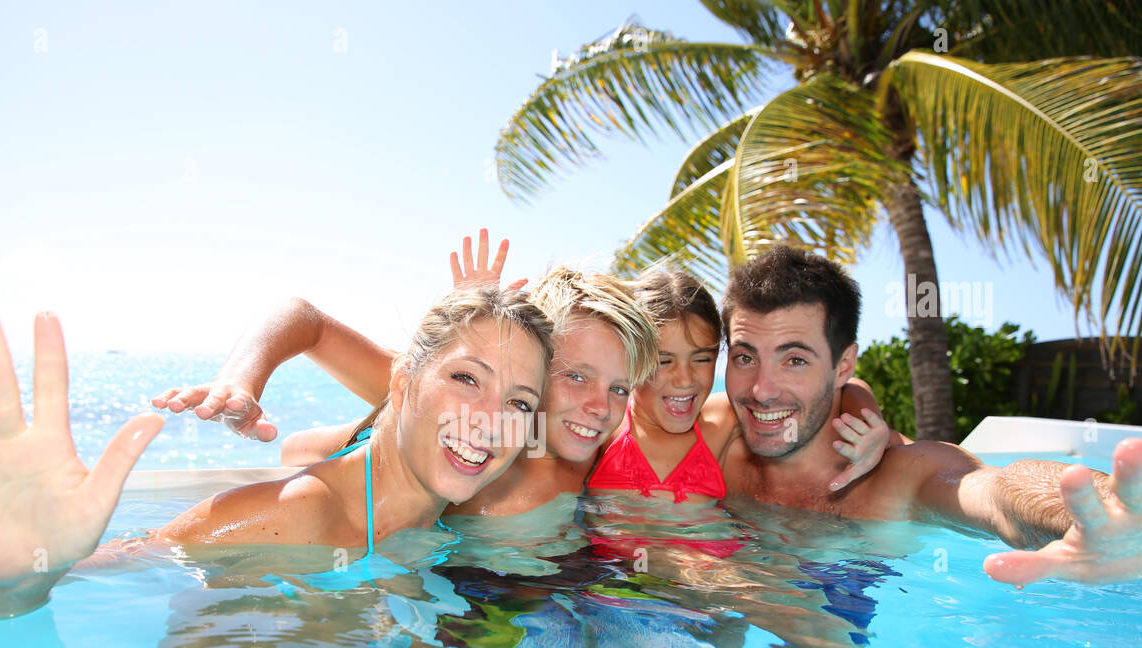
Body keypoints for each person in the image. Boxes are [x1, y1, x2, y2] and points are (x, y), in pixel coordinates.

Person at [0, 286, 554, 618]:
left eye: (520, 403)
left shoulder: (446, 519)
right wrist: (13, 579)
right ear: (401, 380)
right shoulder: (296, 512)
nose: (491, 421)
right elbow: (107, 571)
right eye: (467, 378)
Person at [156, 230, 893, 516]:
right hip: (349, 452)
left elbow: (778, 402)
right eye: (574, 377)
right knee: (319, 446)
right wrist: (241, 381)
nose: (598, 405)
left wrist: (860, 404)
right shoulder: (500, 419)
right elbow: (303, 315)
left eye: (615, 387)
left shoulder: (611, 431)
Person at [714, 244, 1142, 585]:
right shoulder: (715, 438)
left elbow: (993, 490)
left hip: (839, 596)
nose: (761, 391)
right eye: (746, 357)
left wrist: (1095, 511)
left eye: (794, 361)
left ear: (844, 366)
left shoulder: (898, 475)